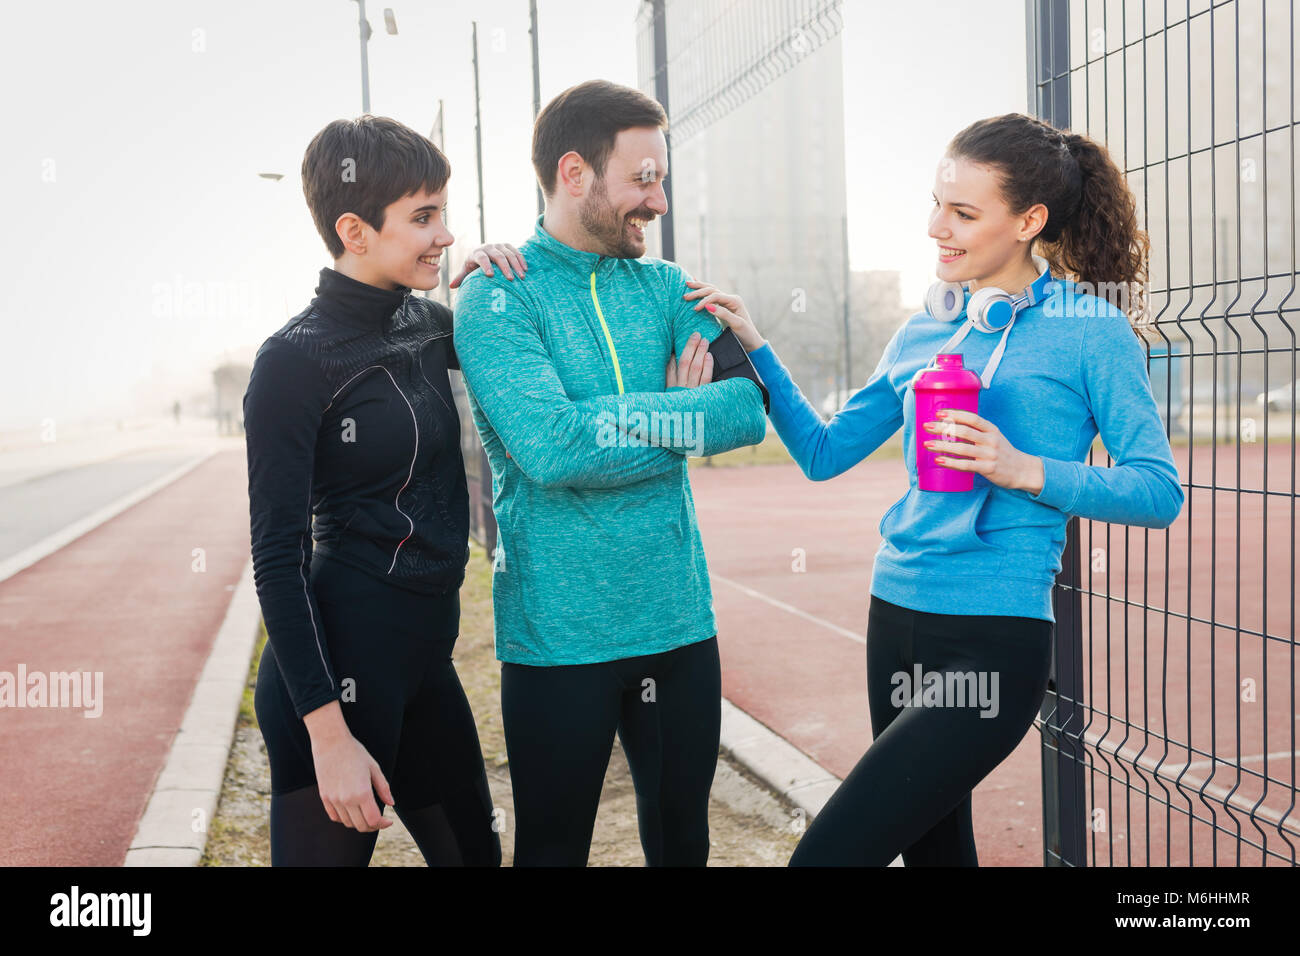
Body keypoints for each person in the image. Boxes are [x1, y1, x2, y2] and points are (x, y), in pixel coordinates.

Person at [688, 113, 1185, 866]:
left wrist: (1025, 469)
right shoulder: (926, 330)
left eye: (962, 213)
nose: (935, 227)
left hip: (994, 633)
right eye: (935, 204)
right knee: (934, 854)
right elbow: (825, 453)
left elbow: (1157, 491)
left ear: (1029, 221)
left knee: (825, 856)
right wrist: (757, 347)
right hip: (896, 614)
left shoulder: (1090, 332)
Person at [452, 80, 769, 866]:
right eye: (642, 179)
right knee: (553, 852)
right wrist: (671, 413)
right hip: (559, 636)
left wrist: (623, 423)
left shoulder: (669, 286)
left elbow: (744, 412)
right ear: (573, 172)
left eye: (660, 178)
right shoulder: (497, 296)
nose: (657, 201)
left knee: (682, 845)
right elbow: (551, 448)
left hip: (677, 624)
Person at [243, 114, 523, 867]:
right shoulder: (292, 363)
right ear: (355, 230)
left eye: (445, 212)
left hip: (425, 667)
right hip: (336, 674)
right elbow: (276, 558)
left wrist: (496, 277)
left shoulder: (428, 324)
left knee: (478, 859)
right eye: (424, 217)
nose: (445, 234)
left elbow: (524, 365)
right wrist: (328, 736)